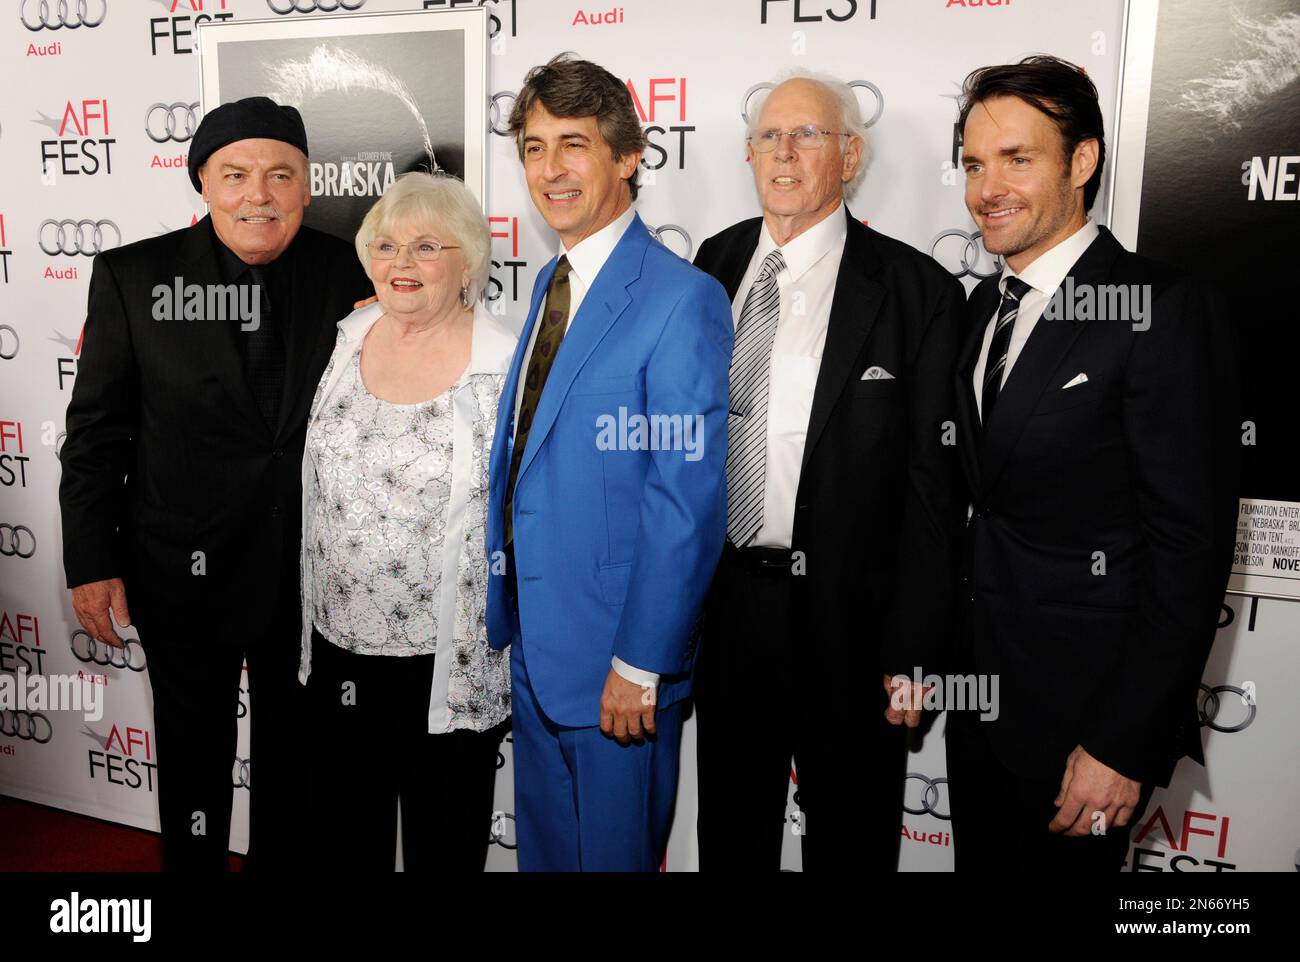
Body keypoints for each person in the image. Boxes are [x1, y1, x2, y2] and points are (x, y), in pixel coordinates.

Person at [59, 97, 372, 869]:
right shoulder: (133, 276)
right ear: (202, 181)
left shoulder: (353, 271)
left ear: (307, 187)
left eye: (279, 175)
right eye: (234, 174)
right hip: (180, 571)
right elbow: (98, 433)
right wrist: (92, 560)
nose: (256, 194)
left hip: (311, 576)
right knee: (195, 766)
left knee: (299, 771)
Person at [948, 55, 1240, 871]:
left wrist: (1122, 743)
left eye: (1017, 159)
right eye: (974, 163)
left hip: (1088, 732)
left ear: (1083, 162)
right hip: (982, 710)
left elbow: (1190, 548)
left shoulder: (1161, 307)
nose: (987, 188)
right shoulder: (981, 307)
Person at [692, 73, 966, 871]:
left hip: (856, 621)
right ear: (747, 155)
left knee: (850, 842)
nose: (785, 152)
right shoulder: (715, 263)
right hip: (729, 610)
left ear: (850, 157)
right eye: (770, 137)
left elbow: (931, 489)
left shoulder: (919, 291)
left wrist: (916, 653)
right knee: (731, 839)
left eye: (808, 135)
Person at [484, 53, 733, 872]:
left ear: (629, 156)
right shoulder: (555, 283)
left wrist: (641, 662)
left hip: (616, 669)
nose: (548, 170)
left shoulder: (679, 298)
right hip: (537, 648)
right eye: (532, 147)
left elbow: (685, 501)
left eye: (573, 145)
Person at [297, 172, 515, 872]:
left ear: (469, 261)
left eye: (426, 246)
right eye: (386, 245)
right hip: (339, 647)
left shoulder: (509, 360)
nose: (402, 263)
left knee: (443, 845)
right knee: (345, 836)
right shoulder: (345, 335)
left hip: (448, 659)